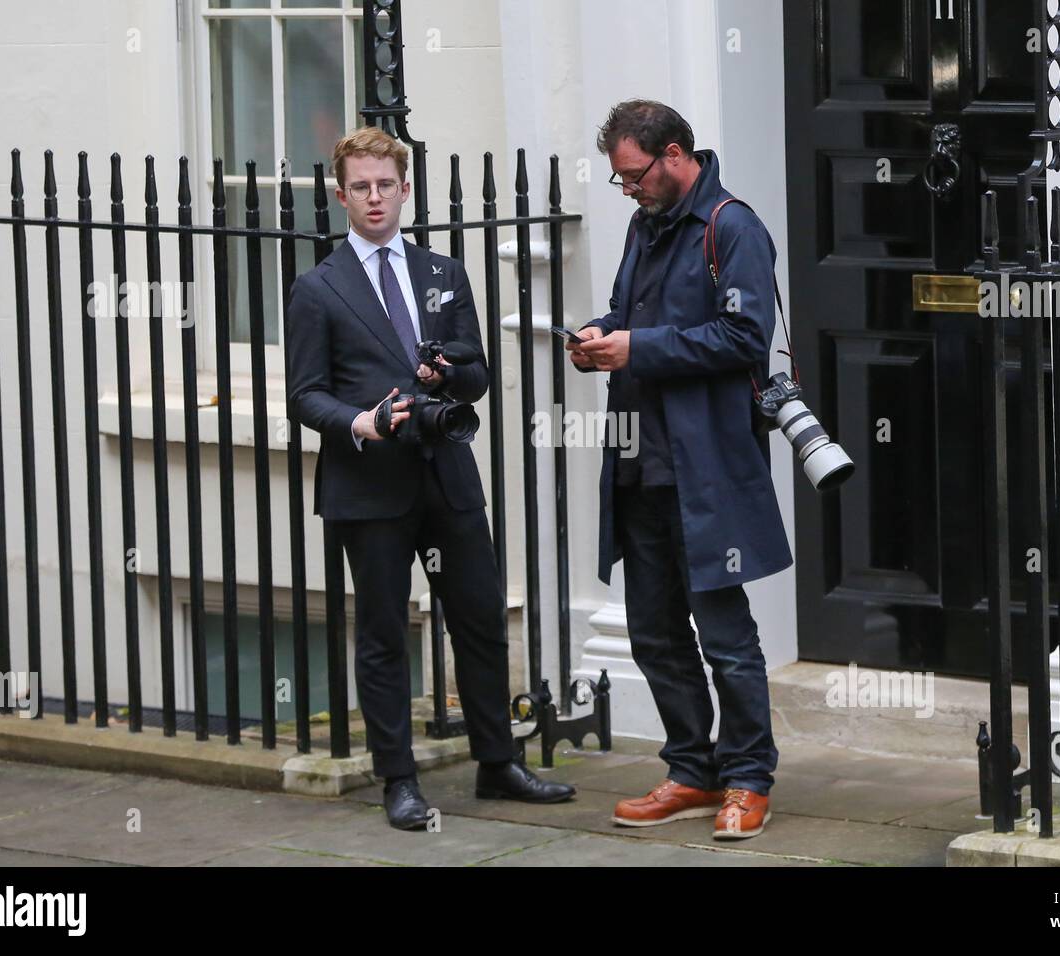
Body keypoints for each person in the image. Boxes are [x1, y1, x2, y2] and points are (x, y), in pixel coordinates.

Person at [286, 126, 574, 830]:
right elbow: (304, 396)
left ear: (405, 189)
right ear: (340, 194)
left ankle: (498, 762)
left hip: (447, 474)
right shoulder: (317, 288)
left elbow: (475, 375)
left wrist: (447, 373)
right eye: (361, 187)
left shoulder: (443, 273)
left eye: (386, 185)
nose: (375, 197)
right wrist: (363, 423)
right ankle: (399, 781)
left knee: (479, 620)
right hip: (370, 487)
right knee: (385, 632)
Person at [567, 100, 792, 840]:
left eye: (632, 175)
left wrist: (640, 348)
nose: (626, 189)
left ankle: (749, 779)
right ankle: (692, 770)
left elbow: (742, 337)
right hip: (638, 461)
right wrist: (602, 334)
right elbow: (627, 311)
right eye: (618, 180)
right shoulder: (644, 224)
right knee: (654, 632)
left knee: (725, 636)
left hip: (706, 469)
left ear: (672, 155)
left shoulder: (732, 226)